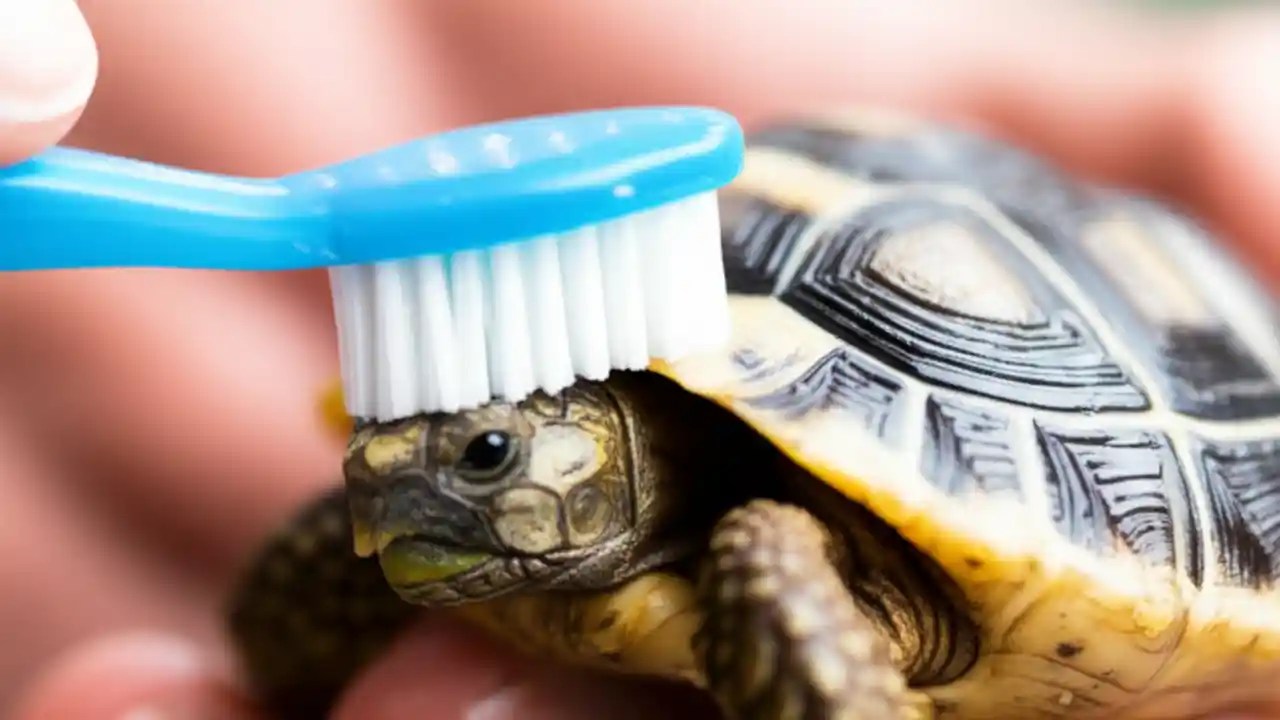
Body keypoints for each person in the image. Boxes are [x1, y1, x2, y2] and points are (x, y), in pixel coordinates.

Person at [3, 1, 1278, 718]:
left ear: (597, 459)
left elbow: (773, 549)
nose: (404, 491)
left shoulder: (767, 549)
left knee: (764, 556)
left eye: (488, 455)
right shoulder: (474, 495)